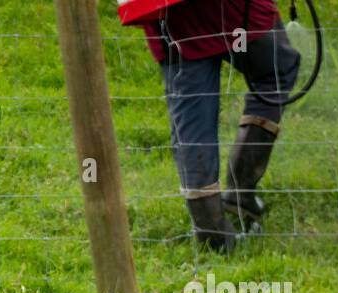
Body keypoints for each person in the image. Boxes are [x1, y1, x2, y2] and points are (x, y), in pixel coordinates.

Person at [129, 0, 302, 250]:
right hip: (230, 9)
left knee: (192, 118)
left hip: (171, 16)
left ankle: (213, 234)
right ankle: (239, 192)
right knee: (275, 69)